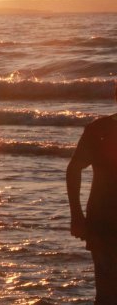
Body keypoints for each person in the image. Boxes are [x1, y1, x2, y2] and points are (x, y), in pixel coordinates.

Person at [68, 88, 117, 304]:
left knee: (106, 292)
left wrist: (77, 216)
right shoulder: (98, 130)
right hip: (103, 222)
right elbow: (73, 169)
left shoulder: (98, 129)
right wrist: (77, 216)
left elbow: (74, 169)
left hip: (101, 219)